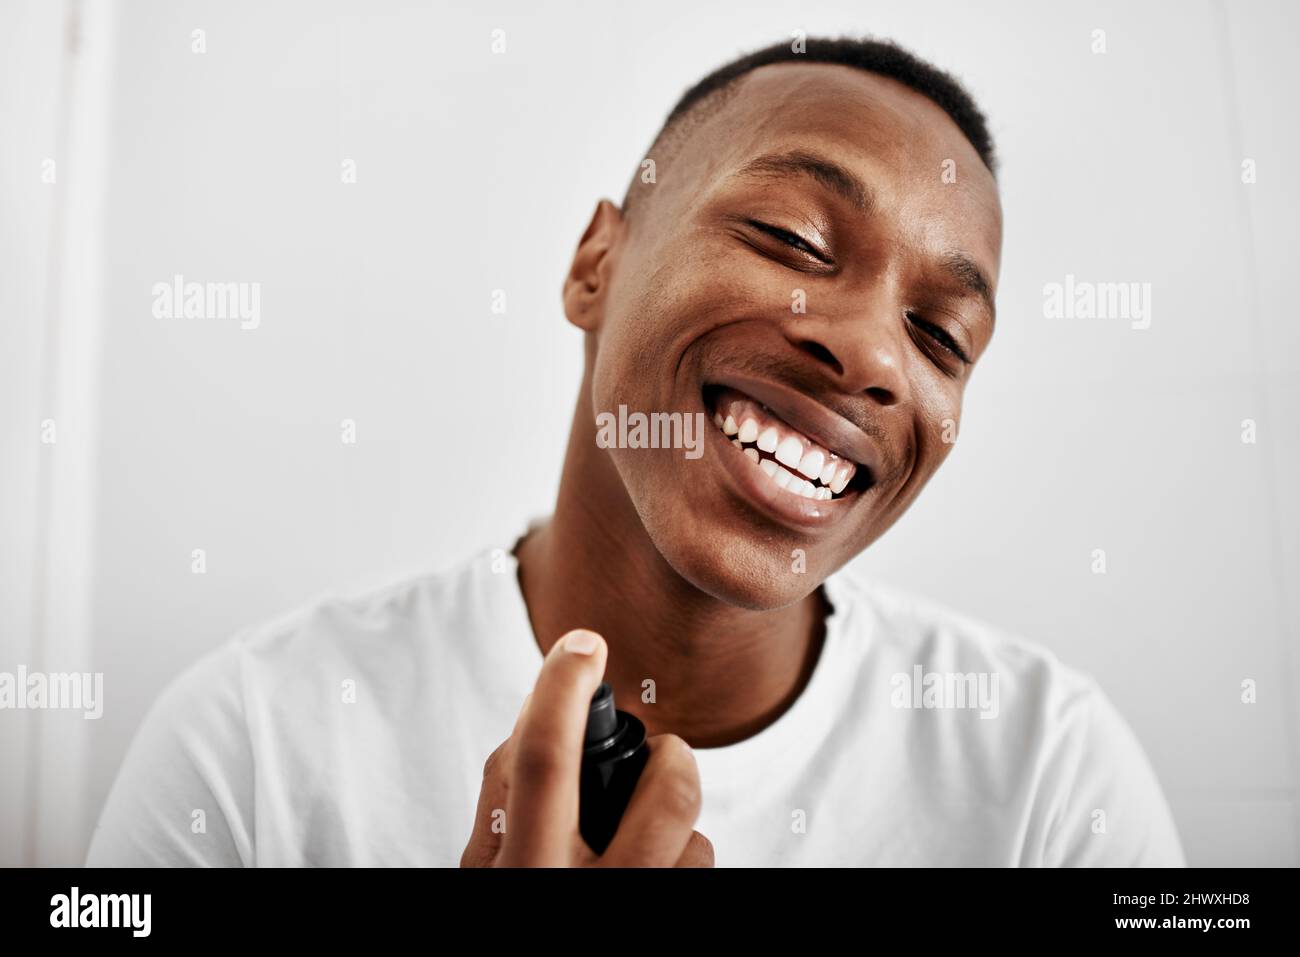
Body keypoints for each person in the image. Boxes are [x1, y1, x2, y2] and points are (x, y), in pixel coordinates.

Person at [86, 37, 1185, 867]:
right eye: (794, 240)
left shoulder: (1051, 778)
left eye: (940, 337)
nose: (869, 357)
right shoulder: (248, 752)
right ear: (596, 265)